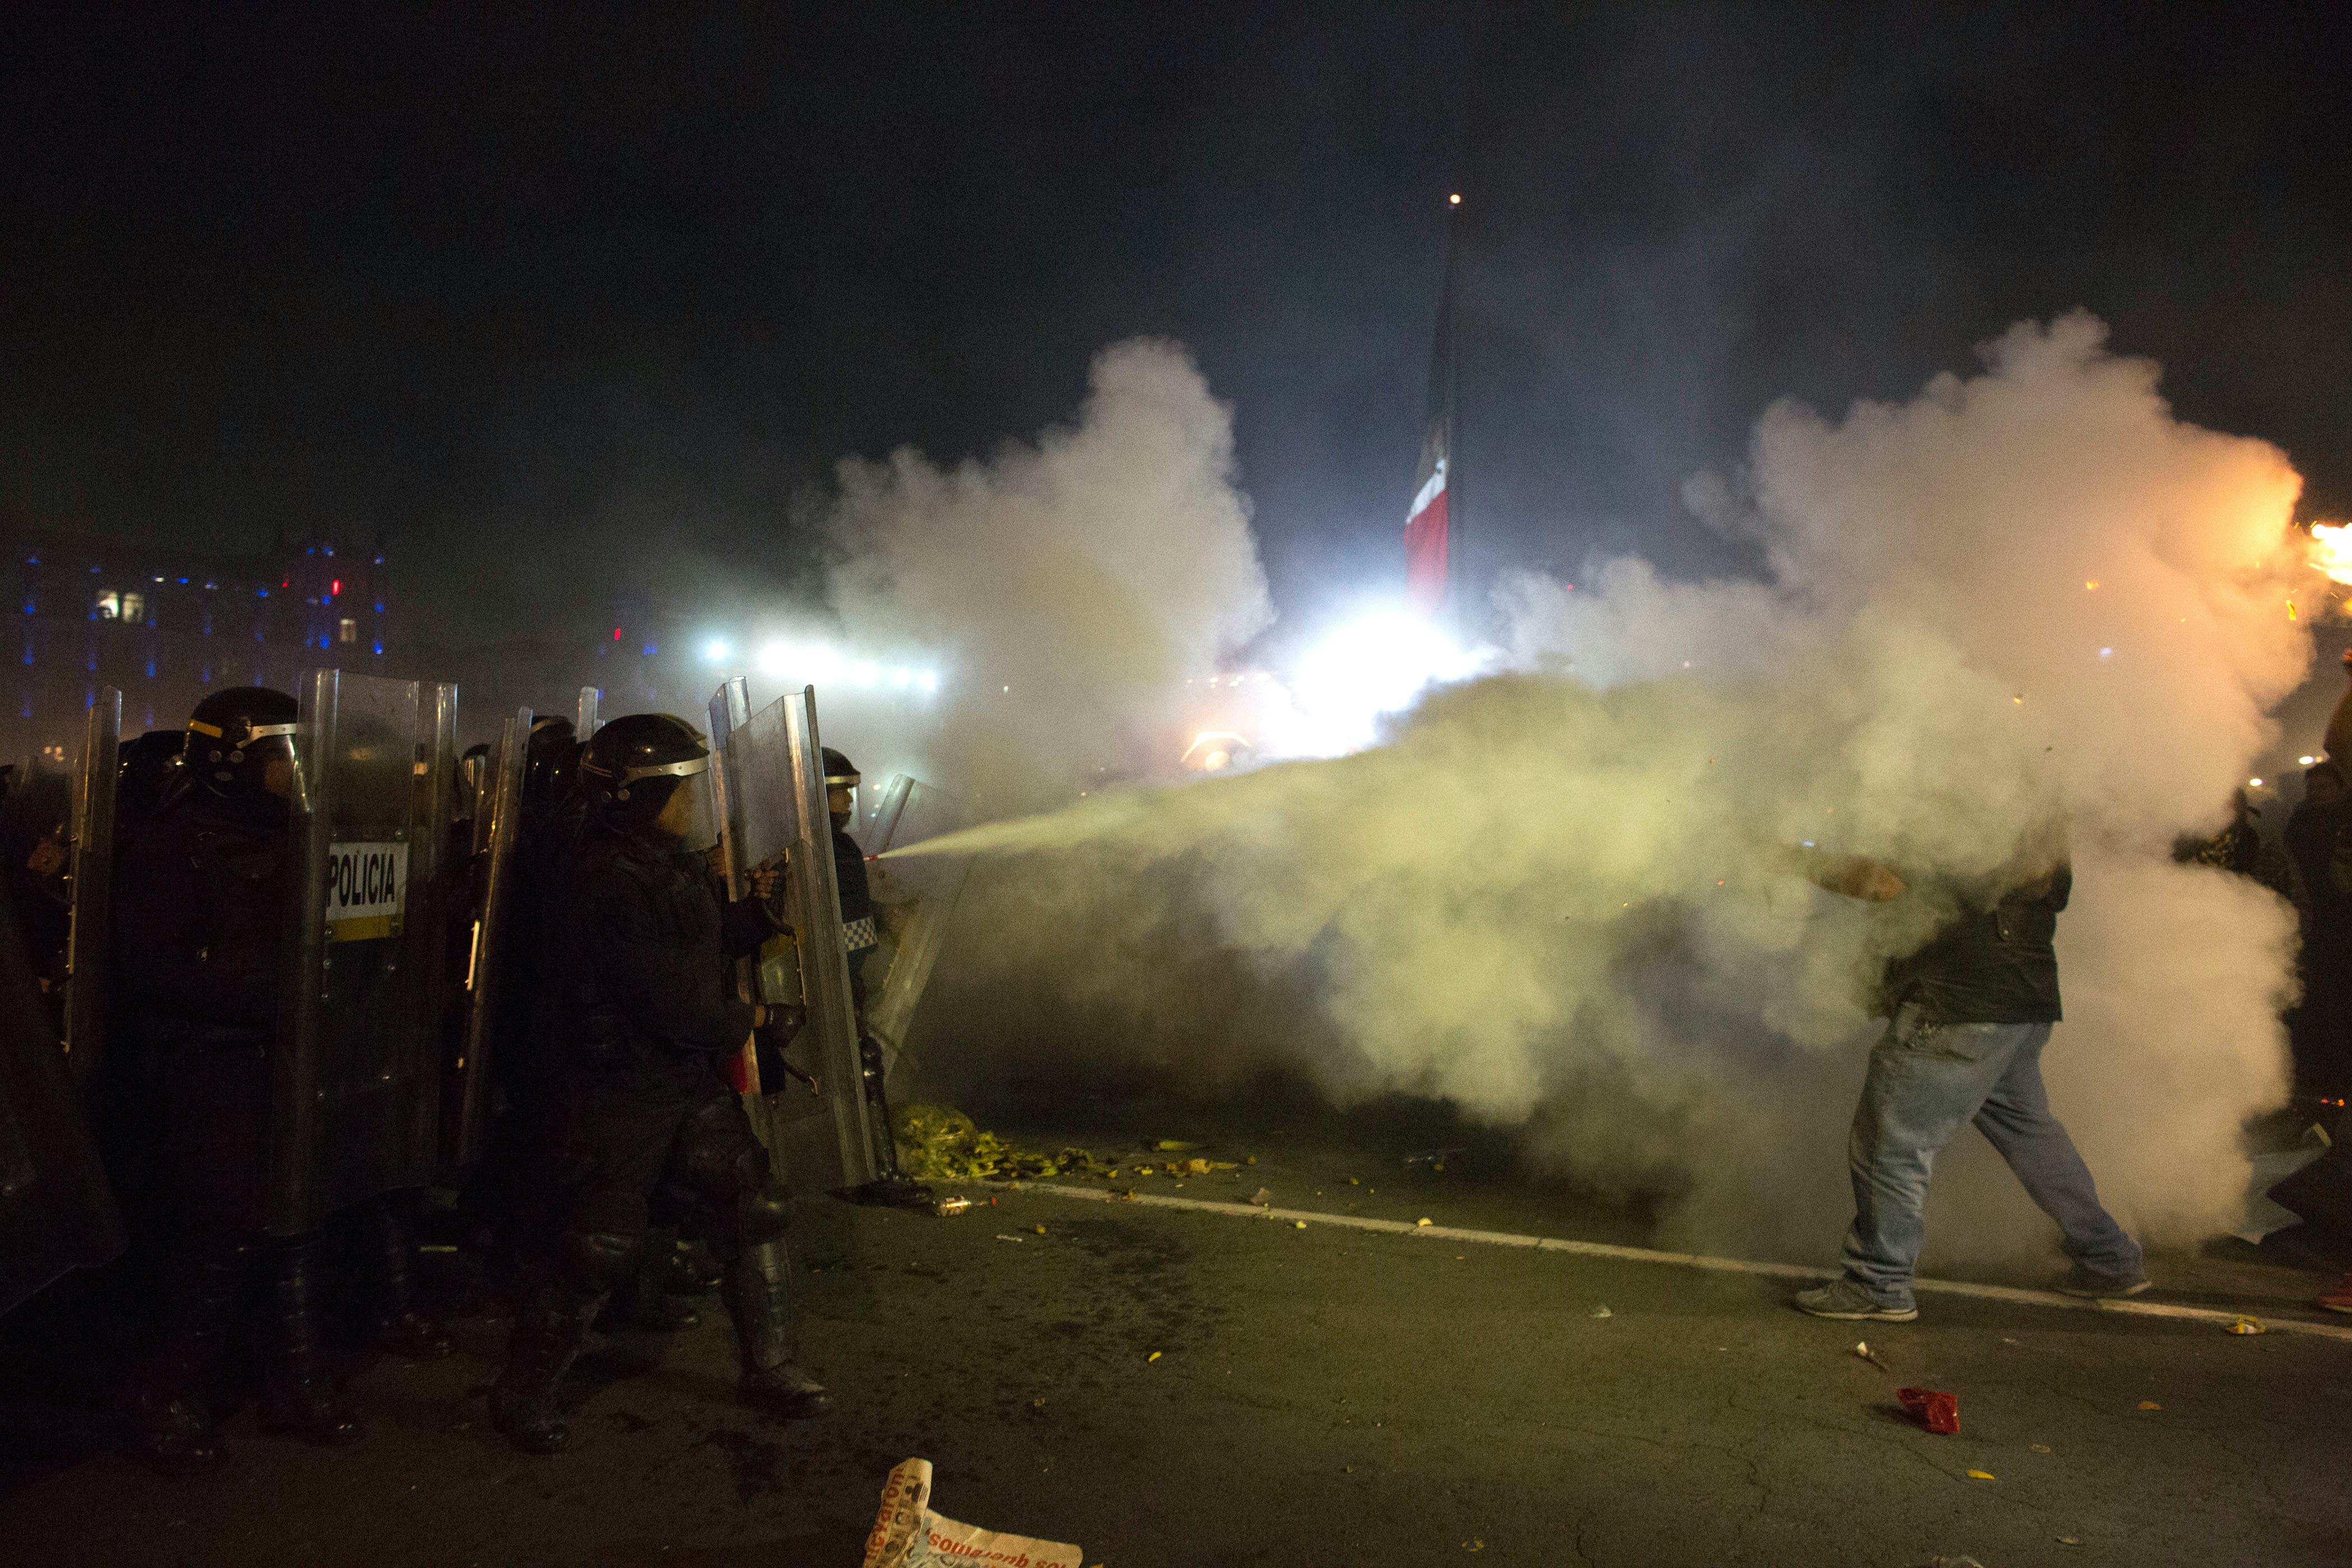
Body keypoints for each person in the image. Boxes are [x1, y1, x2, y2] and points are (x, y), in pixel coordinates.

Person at [488, 713, 829, 1454]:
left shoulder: (666, 866)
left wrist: (754, 916)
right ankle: (524, 1392)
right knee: (597, 1246)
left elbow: (696, 946)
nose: (692, 802)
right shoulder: (604, 881)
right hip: (618, 1091)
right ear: (638, 798)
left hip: (680, 1080)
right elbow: (668, 1002)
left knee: (753, 1207)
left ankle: (771, 1367)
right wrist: (756, 1018)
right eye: (680, 790)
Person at [111, 687, 363, 1474]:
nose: (298, 770)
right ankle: (166, 1396)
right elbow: (148, 969)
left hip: (285, 1056)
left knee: (295, 1217)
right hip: (212, 1063)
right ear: (232, 760)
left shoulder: (299, 835)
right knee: (215, 1235)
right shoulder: (173, 843)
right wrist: (273, 994)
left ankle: (293, 1382)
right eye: (283, 755)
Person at [1788, 833, 2147, 1322]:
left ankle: (1879, 1282)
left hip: (1957, 1003)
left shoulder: (1962, 798)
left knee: (1891, 1146)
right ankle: (2108, 1257)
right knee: (2031, 1134)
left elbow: (1884, 883)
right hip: (2021, 1001)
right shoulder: (2042, 806)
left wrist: (1798, 860)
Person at [823, 748, 934, 1208]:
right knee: (862, 1067)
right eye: (840, 792)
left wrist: (888, 915)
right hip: (825, 982)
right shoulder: (818, 847)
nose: (849, 801)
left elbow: (847, 909)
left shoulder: (837, 846)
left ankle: (851, 1168)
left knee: (851, 1068)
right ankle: (873, 1172)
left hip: (844, 979)